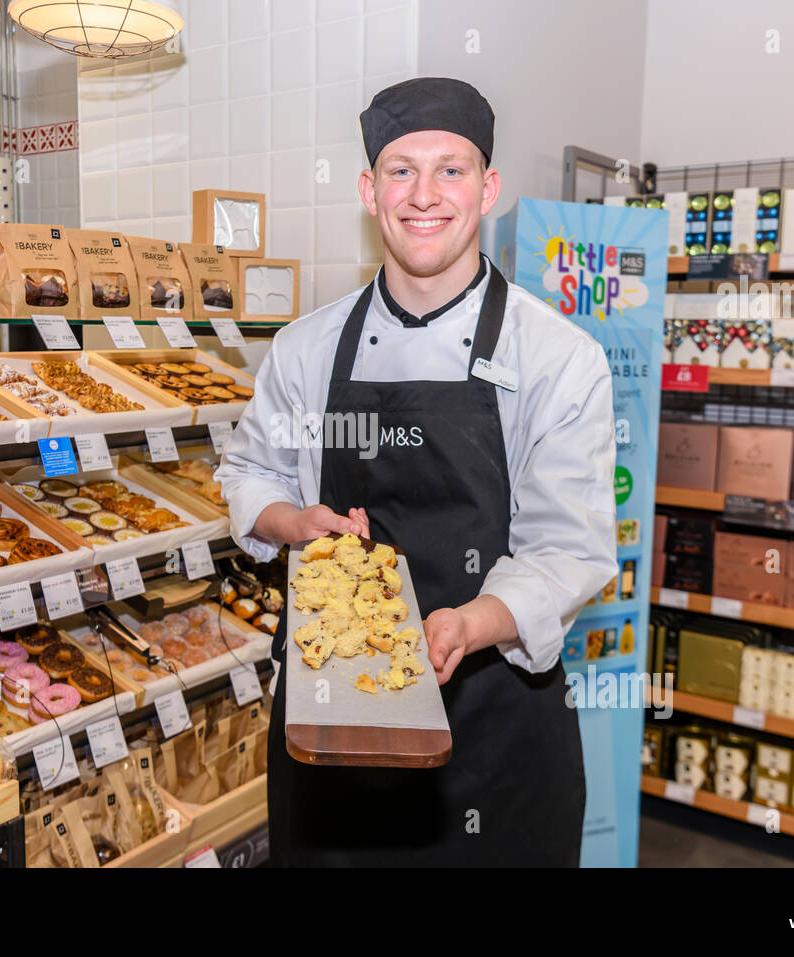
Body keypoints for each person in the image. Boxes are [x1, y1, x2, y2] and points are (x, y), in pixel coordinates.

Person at [215, 77, 617, 866]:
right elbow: (249, 472)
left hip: (496, 729)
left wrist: (470, 623)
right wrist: (291, 521)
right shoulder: (307, 348)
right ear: (369, 190)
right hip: (332, 725)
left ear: (489, 188)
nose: (424, 195)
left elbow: (567, 550)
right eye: (401, 170)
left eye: (451, 170)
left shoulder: (557, 357)